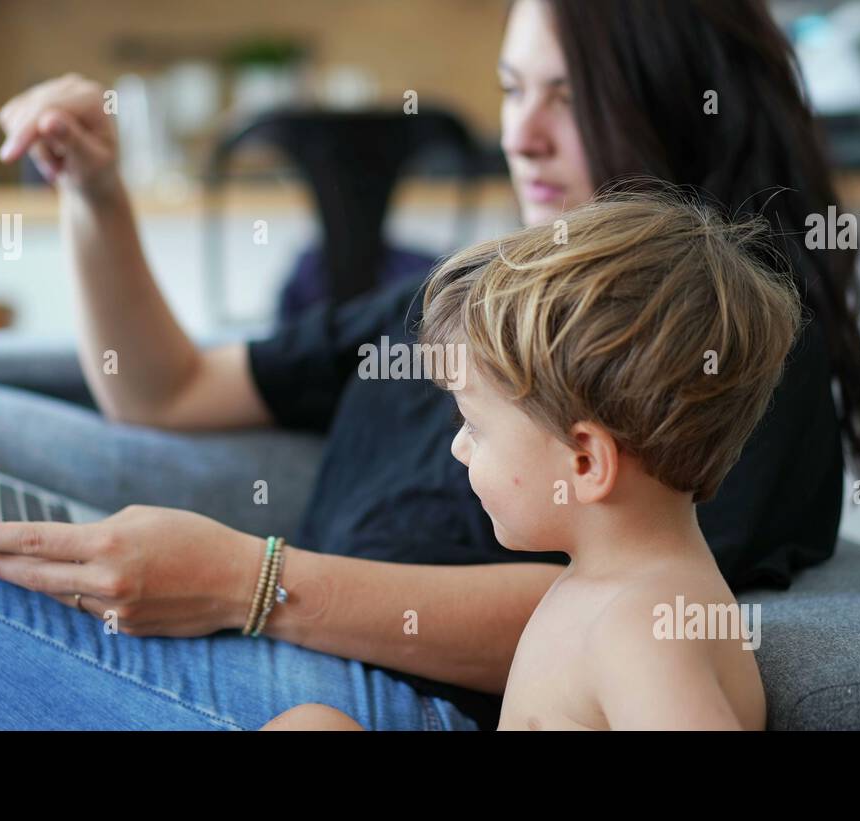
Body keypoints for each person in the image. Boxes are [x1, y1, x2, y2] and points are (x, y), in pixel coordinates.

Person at [0, 0, 860, 730]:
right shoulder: (480, 292)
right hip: (292, 659)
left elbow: (633, 588)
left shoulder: (720, 336)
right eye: (509, 87)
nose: (520, 133)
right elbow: (161, 388)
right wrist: (95, 192)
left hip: (345, 667)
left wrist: (254, 581)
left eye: (567, 95)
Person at [266, 195, 798, 730]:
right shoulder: (606, 588)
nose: (459, 447)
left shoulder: (643, 629)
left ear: (586, 462)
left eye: (475, 426)